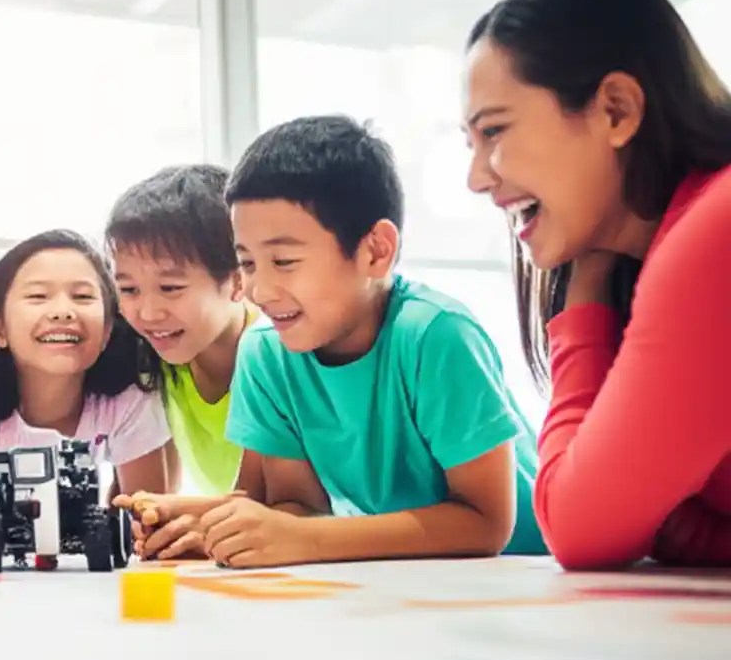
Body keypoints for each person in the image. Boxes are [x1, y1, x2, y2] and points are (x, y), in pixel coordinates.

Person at [118, 116, 546, 566]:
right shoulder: (266, 352)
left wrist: (306, 540)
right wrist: (211, 525)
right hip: (411, 580)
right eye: (247, 263)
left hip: (537, 571)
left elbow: (486, 524)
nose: (260, 291)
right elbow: (298, 508)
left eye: (283, 261)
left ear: (376, 251)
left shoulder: (436, 335)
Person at [463, 0, 731, 568]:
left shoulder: (715, 229)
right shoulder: (672, 251)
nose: (477, 177)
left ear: (615, 110)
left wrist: (583, 298)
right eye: (470, 144)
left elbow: (579, 528)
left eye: (495, 132)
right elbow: (628, 517)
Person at [0, 230, 172, 564]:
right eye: (37, 296)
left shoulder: (130, 387)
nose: (63, 311)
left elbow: (147, 520)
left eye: (82, 297)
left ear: (106, 331)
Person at [104, 164, 260, 498]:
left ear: (237, 280)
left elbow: (269, 504)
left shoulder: (275, 353)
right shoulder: (153, 354)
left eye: (171, 287)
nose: (147, 313)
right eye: (129, 289)